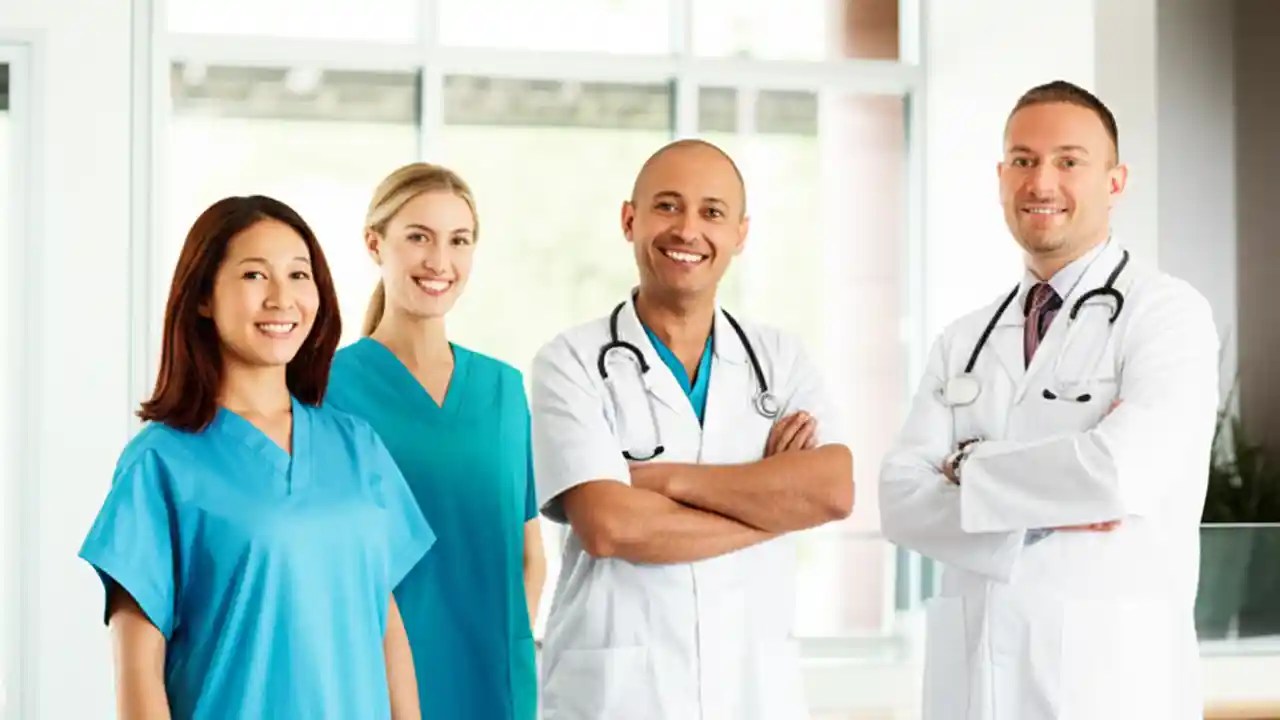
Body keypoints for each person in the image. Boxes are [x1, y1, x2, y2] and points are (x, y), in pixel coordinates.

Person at [879, 81, 1219, 719]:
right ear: (1001, 177)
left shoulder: (1166, 315)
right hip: (975, 686)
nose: (1040, 182)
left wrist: (966, 464)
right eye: (1023, 160)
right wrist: (1047, 498)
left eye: (1068, 161)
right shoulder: (964, 339)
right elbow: (899, 499)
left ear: (1115, 182)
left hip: (1108, 686)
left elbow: (1118, 473)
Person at [530, 139, 855, 720]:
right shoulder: (571, 362)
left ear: (740, 234)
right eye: (667, 206)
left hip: (752, 692)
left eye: (712, 212)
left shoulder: (780, 359)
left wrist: (667, 481)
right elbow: (609, 526)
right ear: (629, 220)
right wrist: (775, 505)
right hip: (621, 698)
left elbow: (833, 491)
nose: (687, 230)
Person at [79, 195, 434, 719]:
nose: (281, 298)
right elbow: (138, 668)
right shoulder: (160, 462)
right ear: (203, 297)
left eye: (298, 275)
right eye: (254, 275)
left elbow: (385, 625)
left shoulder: (356, 445)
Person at [326, 163, 545, 720]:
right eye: (419, 237)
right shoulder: (325, 392)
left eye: (458, 240)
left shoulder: (503, 389)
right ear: (375, 244)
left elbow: (529, 555)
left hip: (495, 685)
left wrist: (503, 653)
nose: (439, 261)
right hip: (375, 689)